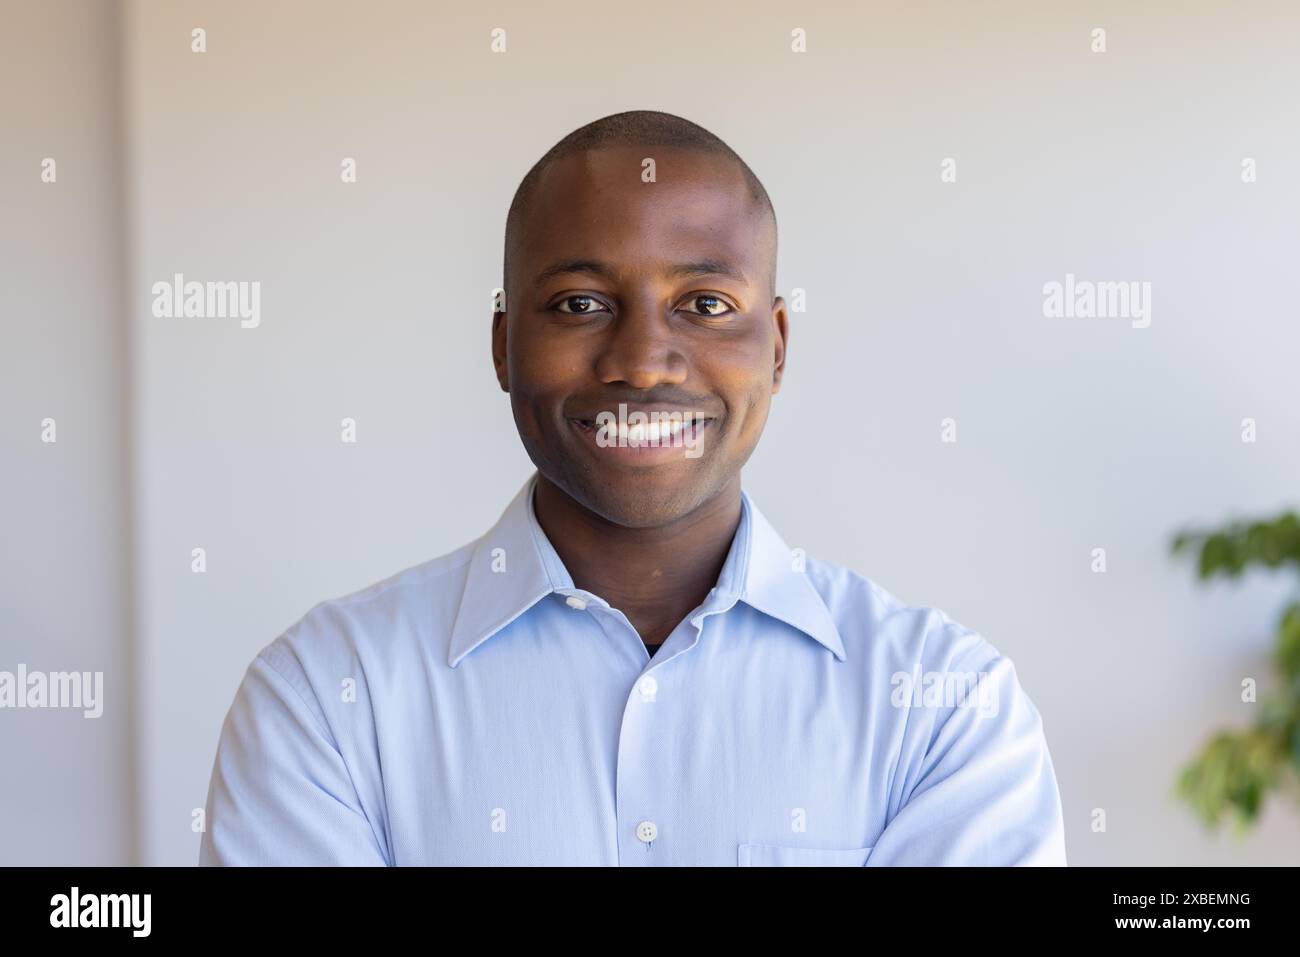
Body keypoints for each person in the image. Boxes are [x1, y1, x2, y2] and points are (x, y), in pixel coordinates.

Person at [199, 109, 1066, 866]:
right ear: (503, 345)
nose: (642, 362)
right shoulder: (325, 697)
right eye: (579, 303)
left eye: (705, 303)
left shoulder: (945, 707)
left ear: (777, 345)